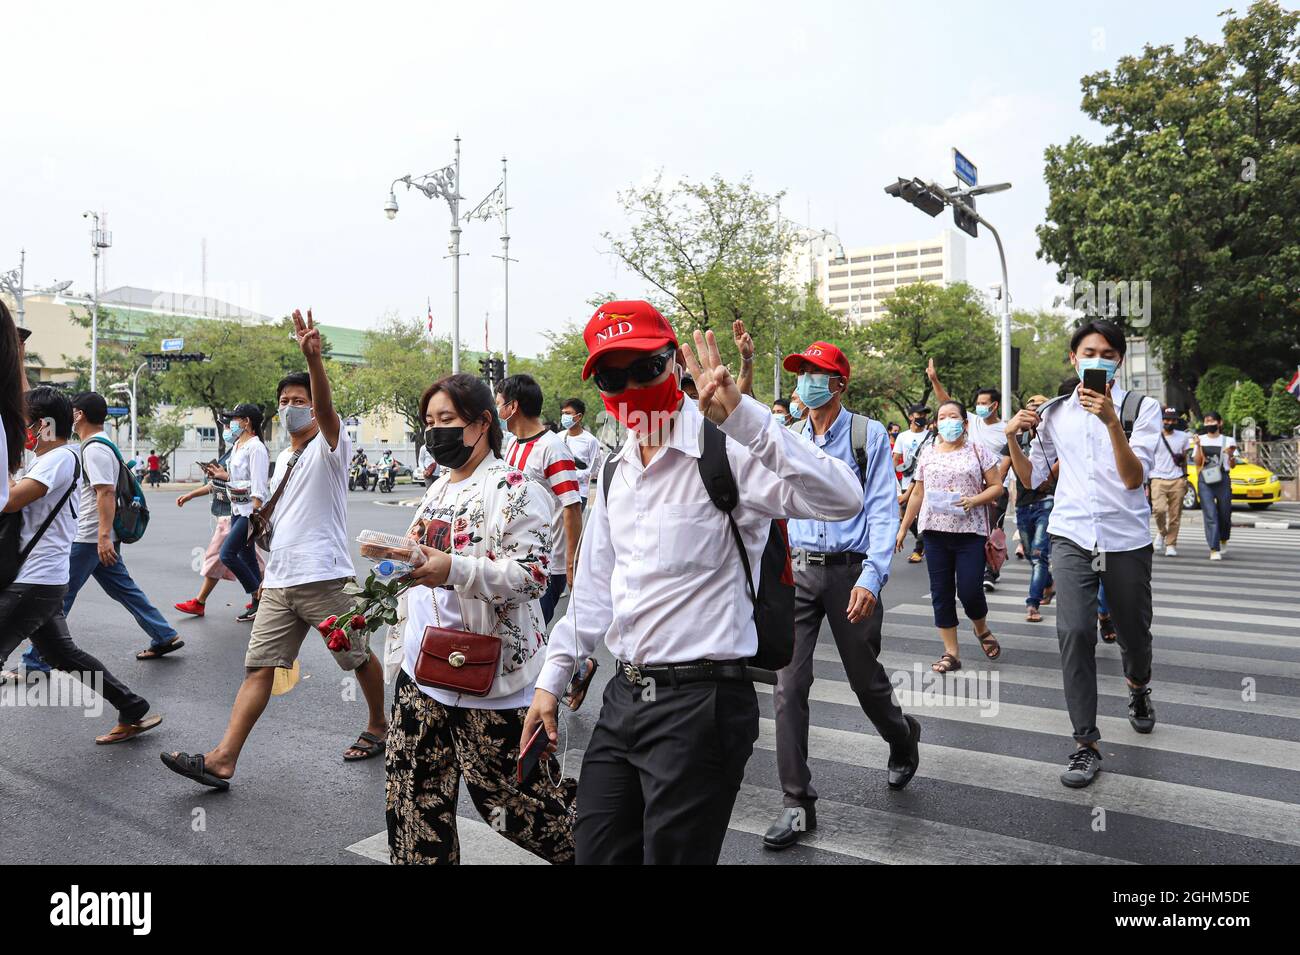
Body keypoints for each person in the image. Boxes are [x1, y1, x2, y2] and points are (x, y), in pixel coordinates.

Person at [524, 300, 862, 865]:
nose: (630, 386)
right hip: (624, 696)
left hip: (701, 705)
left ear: (674, 362)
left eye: (645, 369)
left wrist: (747, 419)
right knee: (596, 853)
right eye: (612, 375)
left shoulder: (727, 448)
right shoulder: (613, 470)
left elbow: (843, 499)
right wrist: (551, 679)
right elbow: (592, 590)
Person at [162, 309, 390, 790]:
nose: (292, 406)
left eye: (299, 399)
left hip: (325, 576)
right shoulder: (283, 455)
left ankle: (378, 724)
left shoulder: (333, 443)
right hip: (281, 581)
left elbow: (327, 411)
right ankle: (223, 759)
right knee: (258, 667)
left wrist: (315, 363)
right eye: (285, 400)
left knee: (357, 656)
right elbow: (268, 510)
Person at [386, 374, 577, 864]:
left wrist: (454, 569)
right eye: (429, 422)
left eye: (447, 420)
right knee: (413, 809)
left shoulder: (514, 488)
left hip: (491, 679)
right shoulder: (434, 491)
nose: (435, 431)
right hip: (421, 673)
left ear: (482, 423)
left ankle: (610, 848)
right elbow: (419, 562)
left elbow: (533, 576)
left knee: (528, 811)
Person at [763, 341, 919, 852]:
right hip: (800, 574)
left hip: (850, 573)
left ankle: (901, 737)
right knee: (789, 687)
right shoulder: (789, 437)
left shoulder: (866, 435)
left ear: (838, 384)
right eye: (800, 371)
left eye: (815, 372)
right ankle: (796, 802)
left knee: (864, 680)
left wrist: (872, 578)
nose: (804, 380)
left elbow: (880, 510)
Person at [1005, 319, 1161, 789]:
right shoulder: (1054, 413)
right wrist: (1012, 437)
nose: (1098, 359)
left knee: (1133, 631)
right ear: (1073, 359)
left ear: (1119, 361)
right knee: (1074, 631)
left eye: (1109, 353)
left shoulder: (1141, 408)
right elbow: (1033, 478)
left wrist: (1112, 421)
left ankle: (1137, 687)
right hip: (1071, 536)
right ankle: (1085, 743)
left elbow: (1134, 479)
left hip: (1125, 539)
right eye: (1088, 351)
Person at [0, 385, 163, 742]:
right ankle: (132, 707)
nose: (18, 430)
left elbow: (10, 501)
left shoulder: (60, 458)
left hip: (36, 580)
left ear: (42, 425)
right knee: (64, 654)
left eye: (24, 423)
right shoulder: (46, 459)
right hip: (42, 579)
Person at [58, 391, 185, 661]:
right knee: (123, 589)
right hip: (98, 536)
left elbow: (105, 492)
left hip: (91, 537)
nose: (69, 416)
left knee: (59, 597)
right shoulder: (99, 444)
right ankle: (164, 634)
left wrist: (103, 537)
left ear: (79, 414)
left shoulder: (94, 448)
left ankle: (36, 659)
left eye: (72, 411)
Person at [897, 399, 1004, 672]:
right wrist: (902, 527)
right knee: (941, 592)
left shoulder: (977, 450)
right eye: (942, 417)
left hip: (970, 533)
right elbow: (918, 493)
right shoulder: (928, 453)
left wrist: (974, 500)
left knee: (970, 591)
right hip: (934, 533)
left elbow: (997, 487)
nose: (947, 421)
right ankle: (951, 653)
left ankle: (981, 628)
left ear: (964, 423)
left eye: (953, 416)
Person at [496, 374, 581, 624]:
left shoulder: (552, 448)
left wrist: (570, 563)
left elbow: (572, 507)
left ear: (513, 407)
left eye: (499, 404)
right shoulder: (513, 444)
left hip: (545, 564)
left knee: (535, 631)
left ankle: (581, 665)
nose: (497, 410)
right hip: (514, 560)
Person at [926, 360, 1010, 592]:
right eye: (978, 403)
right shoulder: (970, 421)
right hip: (970, 486)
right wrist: (934, 379)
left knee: (990, 530)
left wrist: (991, 486)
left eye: (985, 403)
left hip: (994, 485)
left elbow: (1008, 457)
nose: (980, 406)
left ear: (995, 405)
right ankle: (971, 568)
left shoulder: (1005, 429)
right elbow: (946, 402)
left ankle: (990, 569)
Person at [174, 447, 265, 617]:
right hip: (234, 513)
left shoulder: (252, 450)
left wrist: (226, 477)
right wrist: (191, 495)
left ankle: (201, 601)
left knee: (219, 557)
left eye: (231, 420)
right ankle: (263, 598)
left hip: (235, 515)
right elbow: (215, 484)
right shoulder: (235, 449)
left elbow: (250, 484)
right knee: (249, 558)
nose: (228, 426)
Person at [202, 403, 269, 622]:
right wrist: (222, 475)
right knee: (246, 556)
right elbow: (237, 478)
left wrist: (256, 514)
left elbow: (258, 484)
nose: (231, 424)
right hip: (236, 508)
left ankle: (259, 593)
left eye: (235, 419)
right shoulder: (239, 445)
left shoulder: (256, 447)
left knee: (227, 554)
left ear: (246, 421)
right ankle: (258, 604)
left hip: (249, 511)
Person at [1006, 394, 1057, 623]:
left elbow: (1060, 464)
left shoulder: (1056, 436)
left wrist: (1047, 476)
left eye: (1040, 406)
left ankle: (1032, 604)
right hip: (1023, 504)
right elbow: (1002, 469)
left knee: (1038, 554)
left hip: (1047, 499)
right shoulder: (1017, 438)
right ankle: (1049, 583)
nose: (1035, 409)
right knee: (1029, 553)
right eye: (1030, 406)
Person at [893, 403, 934, 564]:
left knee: (922, 512)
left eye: (924, 415)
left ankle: (918, 548)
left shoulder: (931, 436)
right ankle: (923, 540)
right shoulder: (903, 436)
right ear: (911, 417)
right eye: (919, 415)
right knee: (904, 513)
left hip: (923, 482)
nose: (922, 418)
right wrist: (890, 481)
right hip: (906, 480)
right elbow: (895, 458)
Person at [1194, 411, 1235, 561]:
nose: (1209, 424)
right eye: (1207, 421)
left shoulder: (1228, 440)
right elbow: (1198, 462)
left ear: (1220, 423)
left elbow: (1233, 465)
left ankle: (1224, 538)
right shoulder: (1201, 439)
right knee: (1210, 513)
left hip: (1223, 479)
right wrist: (1198, 446)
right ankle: (1213, 548)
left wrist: (1230, 455)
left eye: (1212, 421)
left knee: (1225, 513)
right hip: (1205, 479)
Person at [1149, 407, 1190, 557]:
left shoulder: (1183, 437)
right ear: (1161, 420)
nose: (1169, 422)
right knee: (1158, 510)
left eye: (1172, 420)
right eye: (1166, 419)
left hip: (1177, 479)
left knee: (1175, 515)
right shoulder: (1154, 436)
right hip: (1157, 478)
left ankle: (1171, 544)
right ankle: (1161, 532)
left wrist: (1185, 478)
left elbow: (1184, 458)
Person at [559, 397, 603, 511]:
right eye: (563, 413)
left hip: (579, 494)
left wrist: (575, 475)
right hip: (559, 492)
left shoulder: (591, 441)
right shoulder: (558, 437)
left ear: (579, 416)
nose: (564, 417)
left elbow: (596, 468)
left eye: (568, 413)